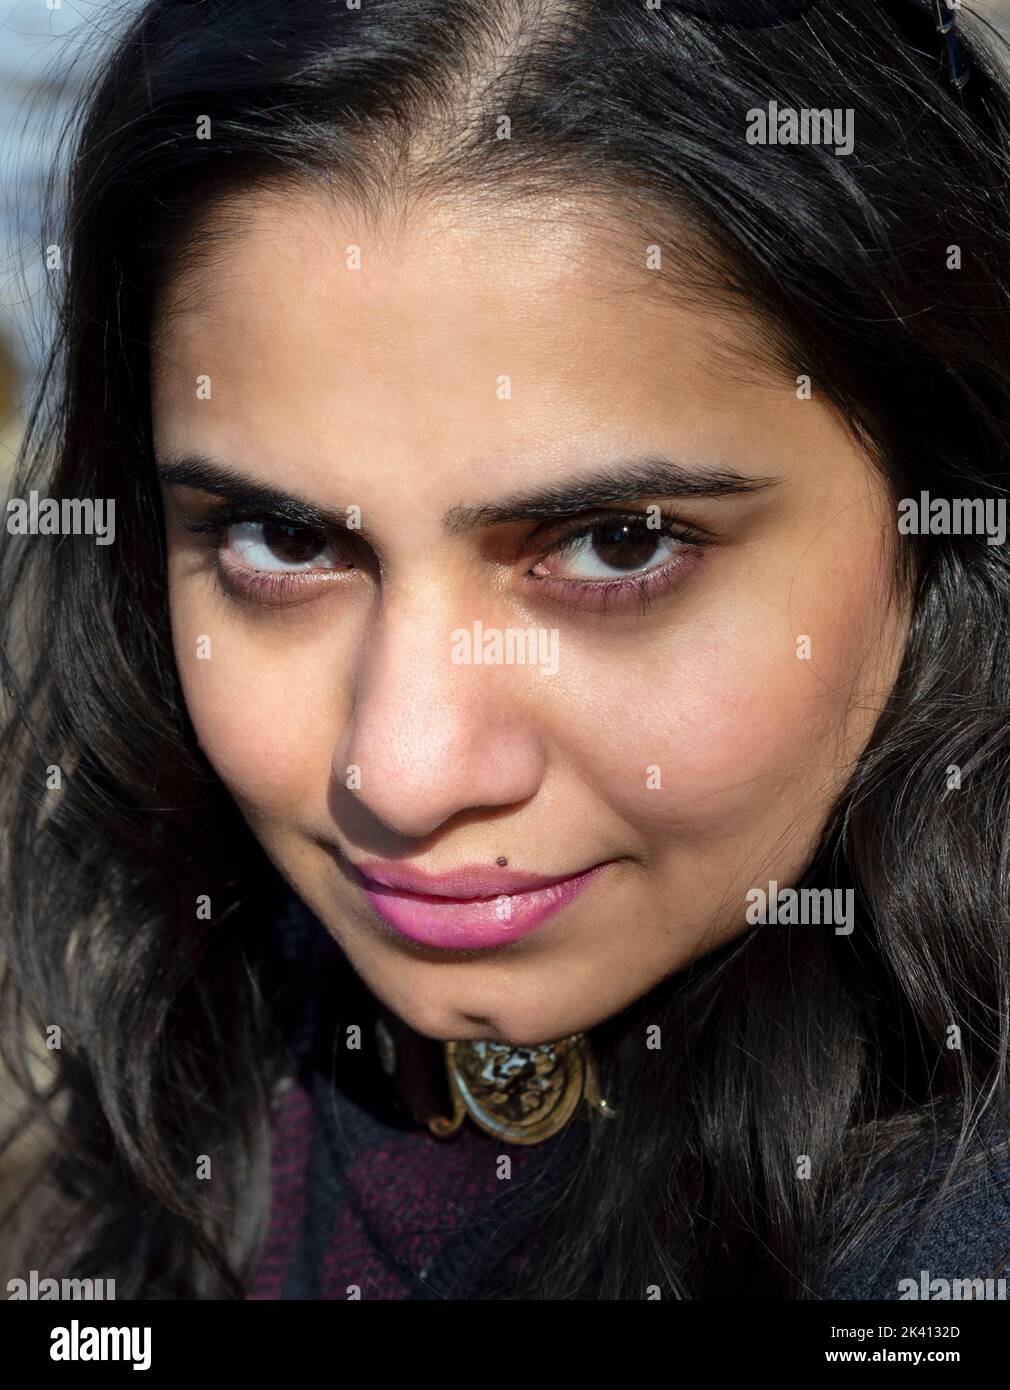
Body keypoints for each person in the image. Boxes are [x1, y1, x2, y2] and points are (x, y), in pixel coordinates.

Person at [1, 0, 1009, 1301]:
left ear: (940, 508)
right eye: (279, 538)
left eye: (615, 545)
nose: (402, 774)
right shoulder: (216, 1048)